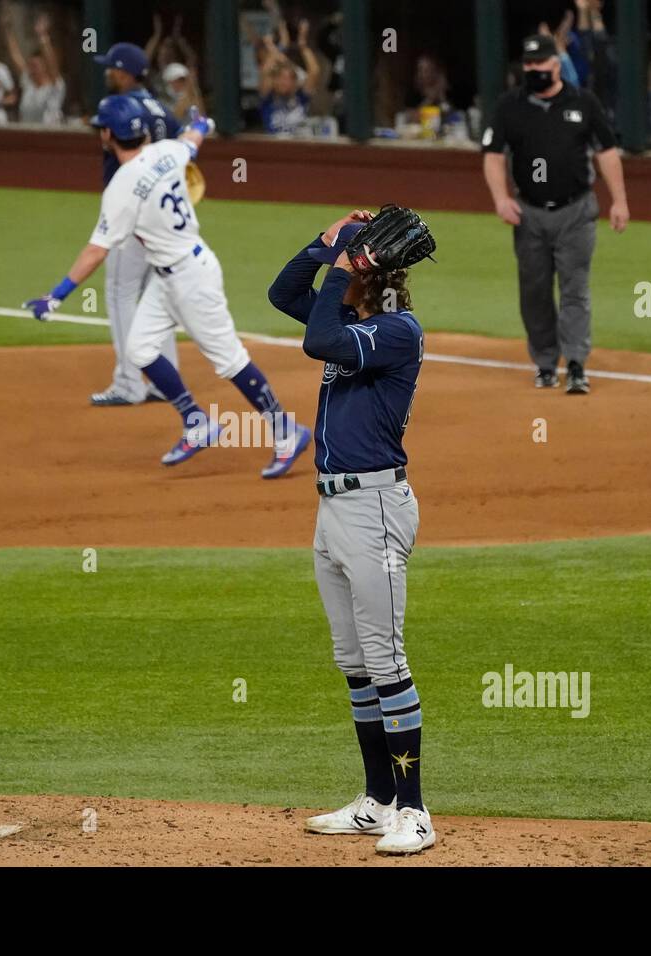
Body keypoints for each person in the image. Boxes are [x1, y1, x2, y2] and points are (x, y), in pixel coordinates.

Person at [24, 95, 313, 480]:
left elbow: (96, 251)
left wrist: (55, 295)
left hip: (192, 277)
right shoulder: (167, 150)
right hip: (169, 275)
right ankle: (196, 421)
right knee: (140, 349)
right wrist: (203, 123)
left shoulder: (120, 186)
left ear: (108, 134)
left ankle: (286, 431)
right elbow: (193, 138)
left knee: (229, 360)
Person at [267, 205, 438, 855]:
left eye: (360, 264)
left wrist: (346, 266)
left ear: (374, 277)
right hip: (334, 510)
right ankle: (376, 801)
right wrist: (325, 242)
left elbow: (318, 342)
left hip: (376, 511)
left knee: (387, 662)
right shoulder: (351, 320)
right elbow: (284, 295)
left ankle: (415, 811)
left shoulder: (397, 331)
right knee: (355, 664)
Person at [481, 33, 630, 395]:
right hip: (529, 214)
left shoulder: (583, 102)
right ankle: (546, 363)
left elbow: (607, 152)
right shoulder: (509, 106)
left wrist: (619, 201)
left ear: (555, 64)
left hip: (576, 210)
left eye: (540, 63)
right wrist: (501, 199)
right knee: (534, 292)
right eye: (528, 64)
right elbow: (493, 155)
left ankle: (576, 364)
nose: (533, 69)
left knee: (575, 288)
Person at [83, 42, 181, 407]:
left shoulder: (116, 109)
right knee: (158, 296)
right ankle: (164, 378)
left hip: (129, 214)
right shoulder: (164, 111)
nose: (107, 73)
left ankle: (129, 382)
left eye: (111, 68)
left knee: (121, 295)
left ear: (124, 73)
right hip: (163, 217)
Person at [3, 8, 65, 125]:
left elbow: (52, 63)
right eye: (30, 65)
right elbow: (15, 55)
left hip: (50, 137)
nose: (32, 68)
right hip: (27, 137)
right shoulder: (28, 82)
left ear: (45, 67)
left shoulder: (55, 86)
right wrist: (8, 29)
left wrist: (43, 36)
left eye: (35, 65)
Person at [259, 20, 319, 134]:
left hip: (298, 145)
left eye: (289, 78)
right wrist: (277, 49)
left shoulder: (301, 97)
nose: (285, 82)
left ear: (295, 82)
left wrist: (303, 46)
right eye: (281, 78)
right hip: (273, 146)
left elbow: (314, 71)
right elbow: (265, 71)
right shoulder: (267, 97)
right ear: (274, 81)